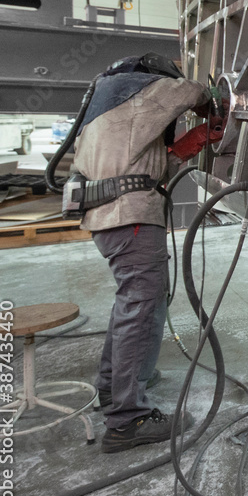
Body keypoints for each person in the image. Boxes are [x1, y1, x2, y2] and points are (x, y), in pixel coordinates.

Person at [72, 52, 223, 453]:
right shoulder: (139, 90)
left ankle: (113, 389)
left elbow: (139, 164)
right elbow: (192, 91)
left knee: (133, 305)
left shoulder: (107, 107)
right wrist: (214, 103)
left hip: (114, 219)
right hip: (131, 220)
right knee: (140, 310)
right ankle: (128, 420)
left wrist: (186, 147)